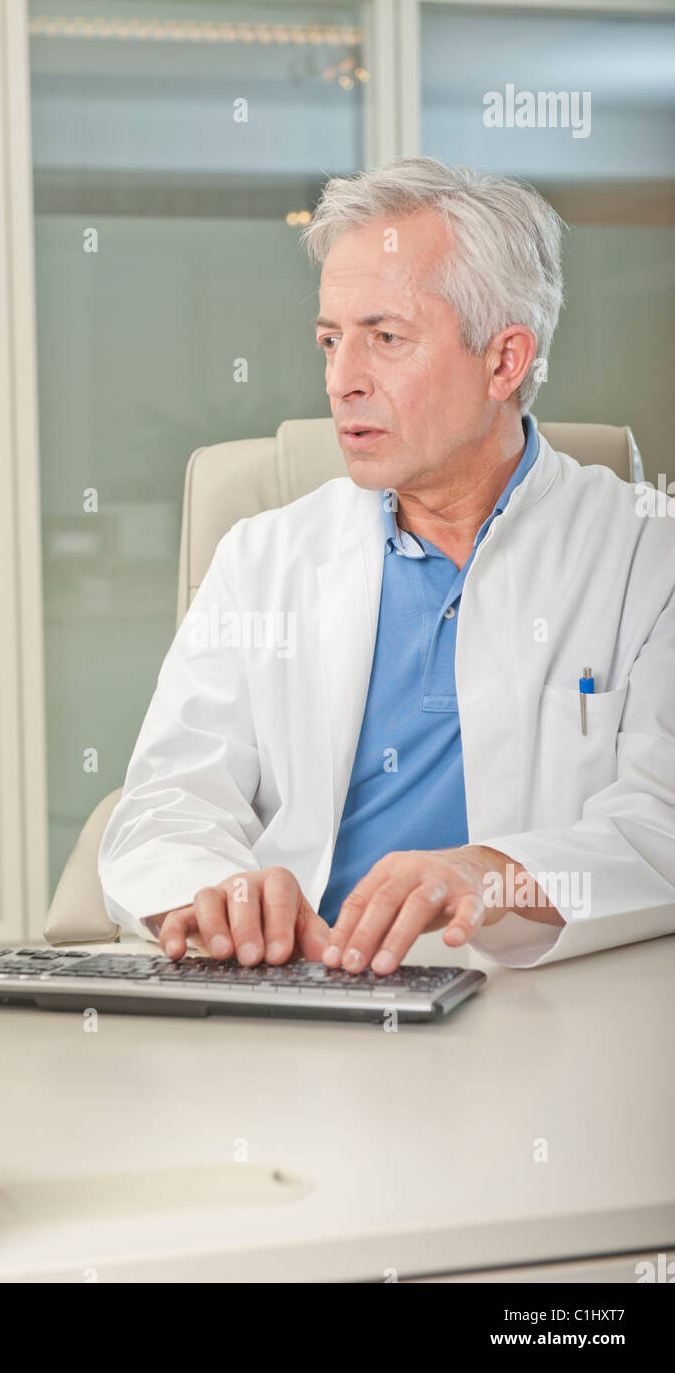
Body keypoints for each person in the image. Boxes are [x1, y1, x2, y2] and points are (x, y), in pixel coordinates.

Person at [99, 157, 675, 974]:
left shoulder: (648, 554)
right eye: (330, 341)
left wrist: (492, 876)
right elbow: (167, 804)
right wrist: (220, 892)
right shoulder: (264, 556)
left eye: (385, 339)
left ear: (504, 362)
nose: (340, 381)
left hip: (527, 996)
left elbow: (662, 821)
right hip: (297, 994)